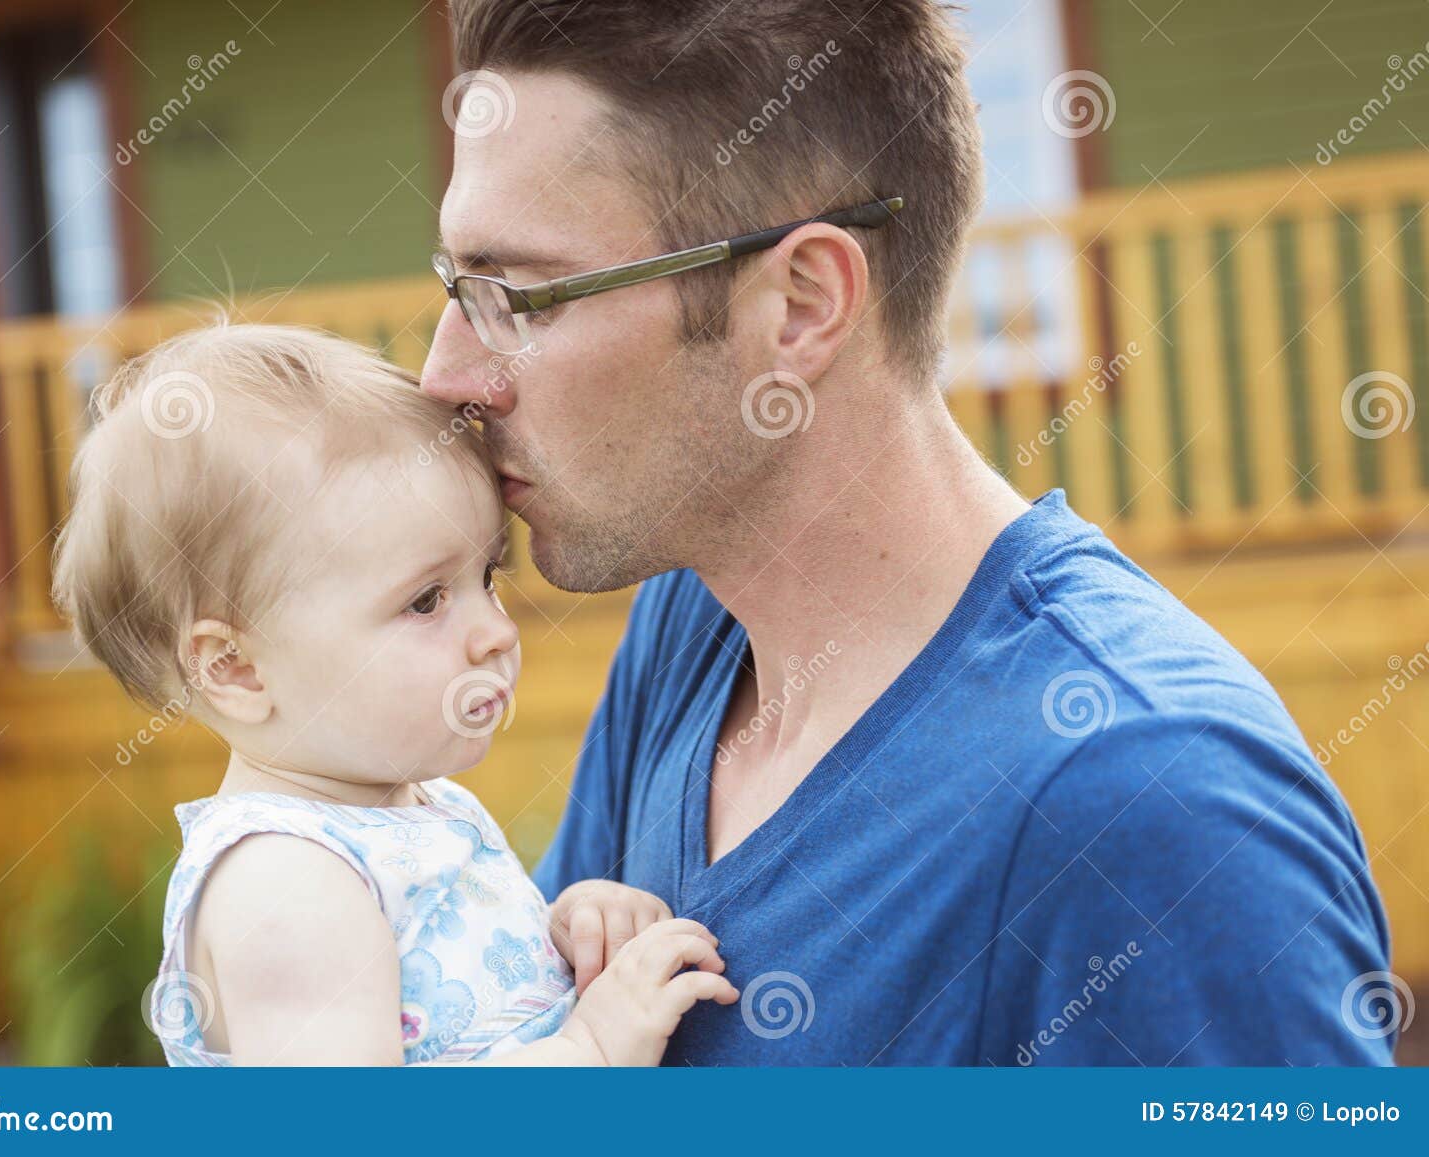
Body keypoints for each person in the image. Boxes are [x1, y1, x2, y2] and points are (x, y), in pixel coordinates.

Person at [419, 0, 1395, 1064]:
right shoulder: (694, 623)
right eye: (455, 289)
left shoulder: (1150, 804)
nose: (446, 376)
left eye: (517, 294)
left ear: (799, 304)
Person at [52, 323, 737, 1065]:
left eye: (487, 575)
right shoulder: (286, 886)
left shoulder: (414, 805)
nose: (495, 634)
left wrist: (568, 936)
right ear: (235, 668)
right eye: (424, 601)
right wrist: (592, 1044)